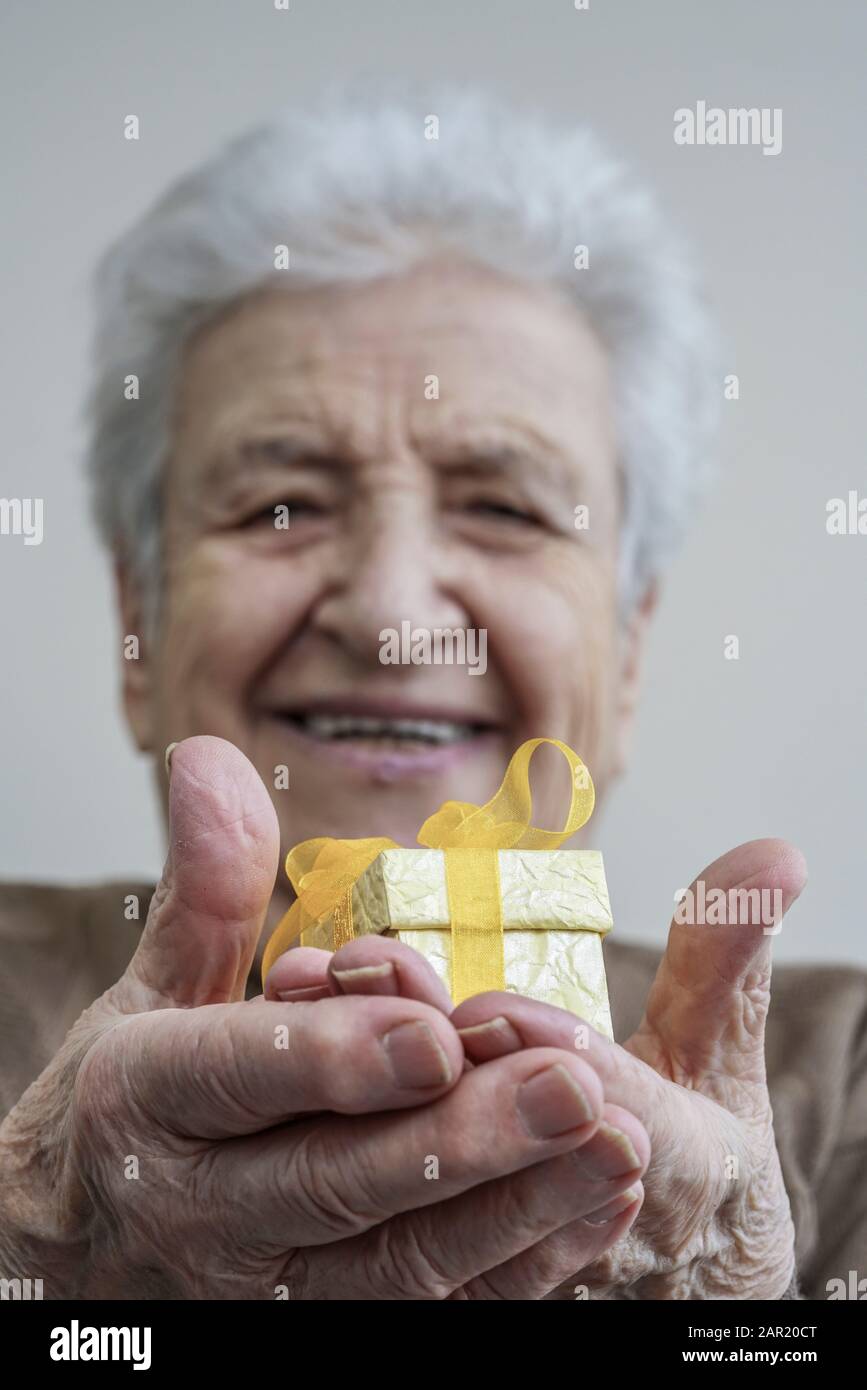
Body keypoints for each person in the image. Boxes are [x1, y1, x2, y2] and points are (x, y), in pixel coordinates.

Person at [1, 93, 864, 1300]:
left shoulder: (850, 1079)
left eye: (506, 508)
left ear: (626, 646)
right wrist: (45, 1284)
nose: (393, 609)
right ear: (136, 627)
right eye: (280, 506)